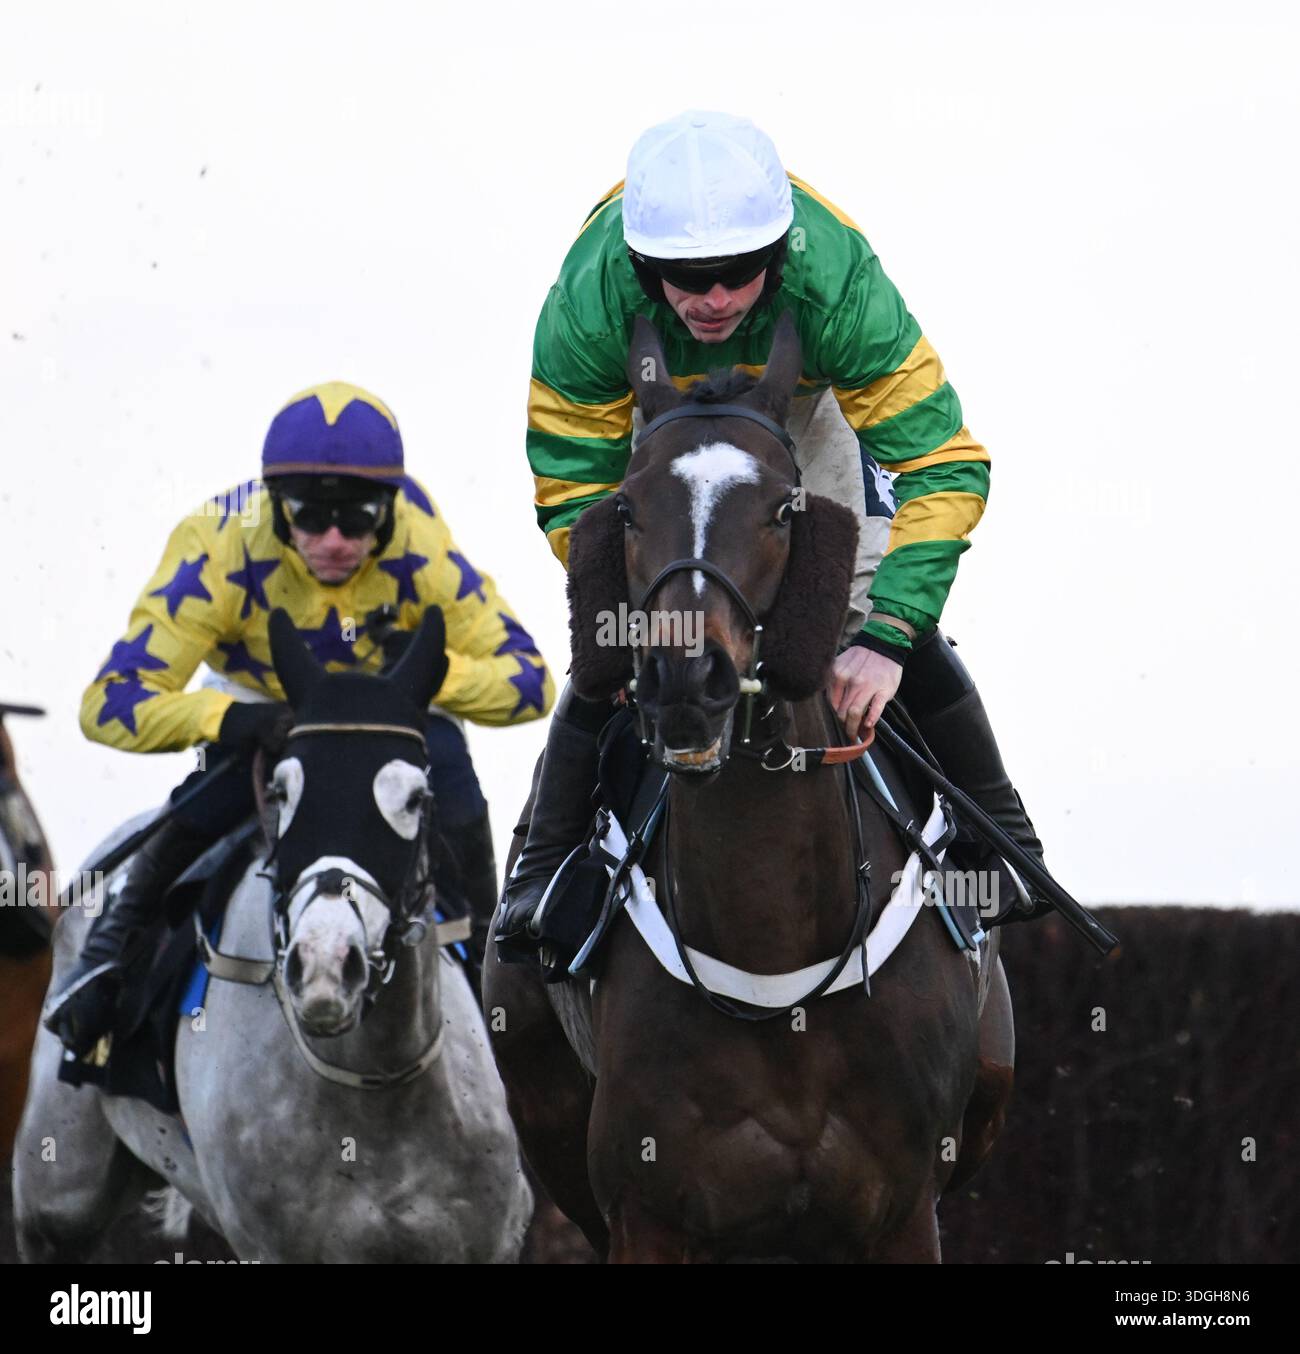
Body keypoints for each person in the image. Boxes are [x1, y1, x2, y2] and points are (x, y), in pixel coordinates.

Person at [496, 109, 1045, 959]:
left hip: (801, 411)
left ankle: (1001, 844)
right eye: (686, 276)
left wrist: (889, 641)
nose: (714, 298)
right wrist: (631, 616)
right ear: (640, 265)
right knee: (626, 635)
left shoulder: (834, 279)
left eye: (741, 272)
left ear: (779, 254)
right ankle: (546, 866)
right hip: (659, 421)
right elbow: (574, 484)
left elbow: (945, 463)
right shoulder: (590, 297)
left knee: (861, 605)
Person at [46, 380, 554, 1054]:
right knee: (200, 809)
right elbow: (107, 704)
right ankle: (106, 960)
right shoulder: (216, 545)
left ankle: (496, 970)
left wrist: (435, 677)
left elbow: (533, 683)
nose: (337, 541)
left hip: (384, 713)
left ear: (391, 508)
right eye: (312, 518)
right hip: (268, 709)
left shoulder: (420, 542)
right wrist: (227, 720)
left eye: (361, 517)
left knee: (457, 795)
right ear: (277, 509)